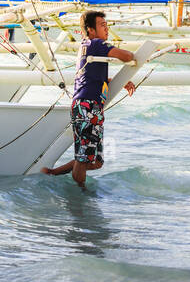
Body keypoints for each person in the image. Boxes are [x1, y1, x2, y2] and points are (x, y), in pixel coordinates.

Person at [41, 10, 136, 188]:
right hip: (87, 107)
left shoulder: (87, 46)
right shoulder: (96, 43)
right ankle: (79, 197)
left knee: (95, 161)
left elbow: (92, 77)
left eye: (107, 25)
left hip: (88, 106)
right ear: (91, 30)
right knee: (84, 159)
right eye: (102, 25)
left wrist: (119, 81)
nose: (106, 29)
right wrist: (133, 58)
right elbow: (127, 56)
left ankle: (53, 173)